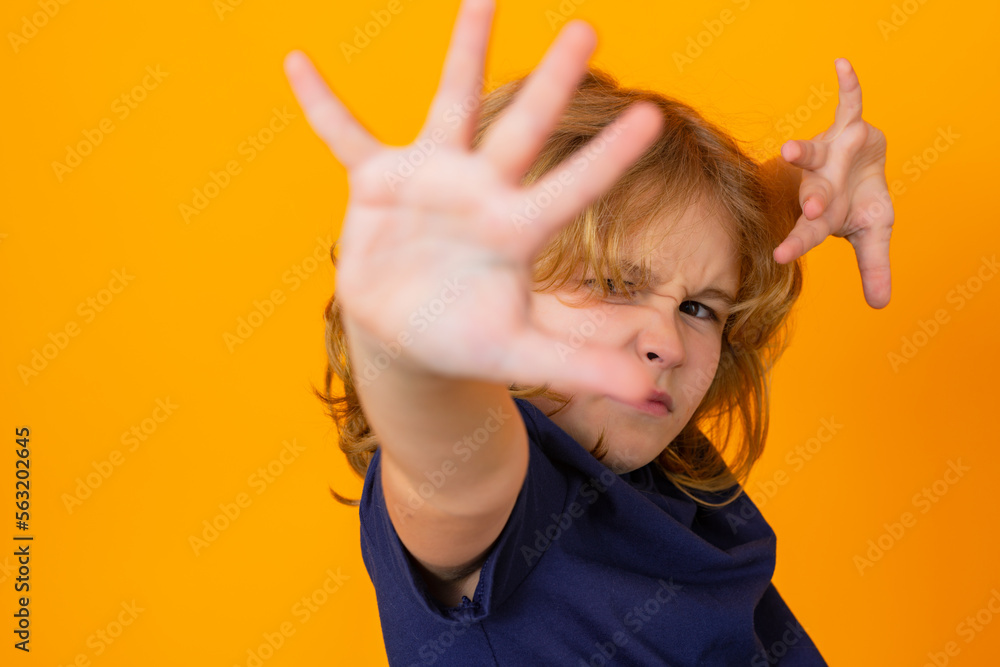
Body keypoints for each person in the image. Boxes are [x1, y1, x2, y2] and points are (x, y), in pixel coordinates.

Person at [283, 0, 893, 663]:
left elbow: (703, 254)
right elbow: (445, 439)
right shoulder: (496, 491)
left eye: (698, 310)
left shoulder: (654, 466)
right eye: (610, 285)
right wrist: (415, 333)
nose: (667, 341)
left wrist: (802, 189)